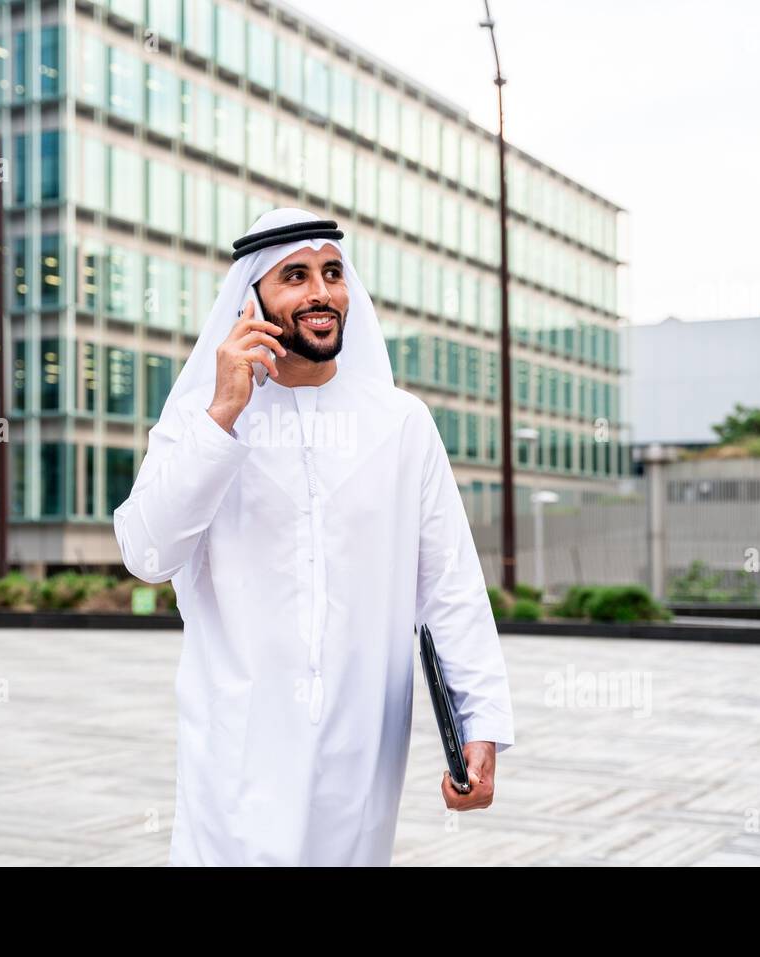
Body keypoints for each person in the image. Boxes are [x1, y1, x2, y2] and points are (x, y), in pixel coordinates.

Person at [113, 206, 515, 866]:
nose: (320, 292)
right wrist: (224, 416)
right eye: (294, 276)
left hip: (360, 744)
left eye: (332, 272)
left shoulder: (399, 423)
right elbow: (148, 553)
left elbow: (450, 585)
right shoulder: (201, 418)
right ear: (253, 300)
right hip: (237, 746)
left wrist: (483, 723)